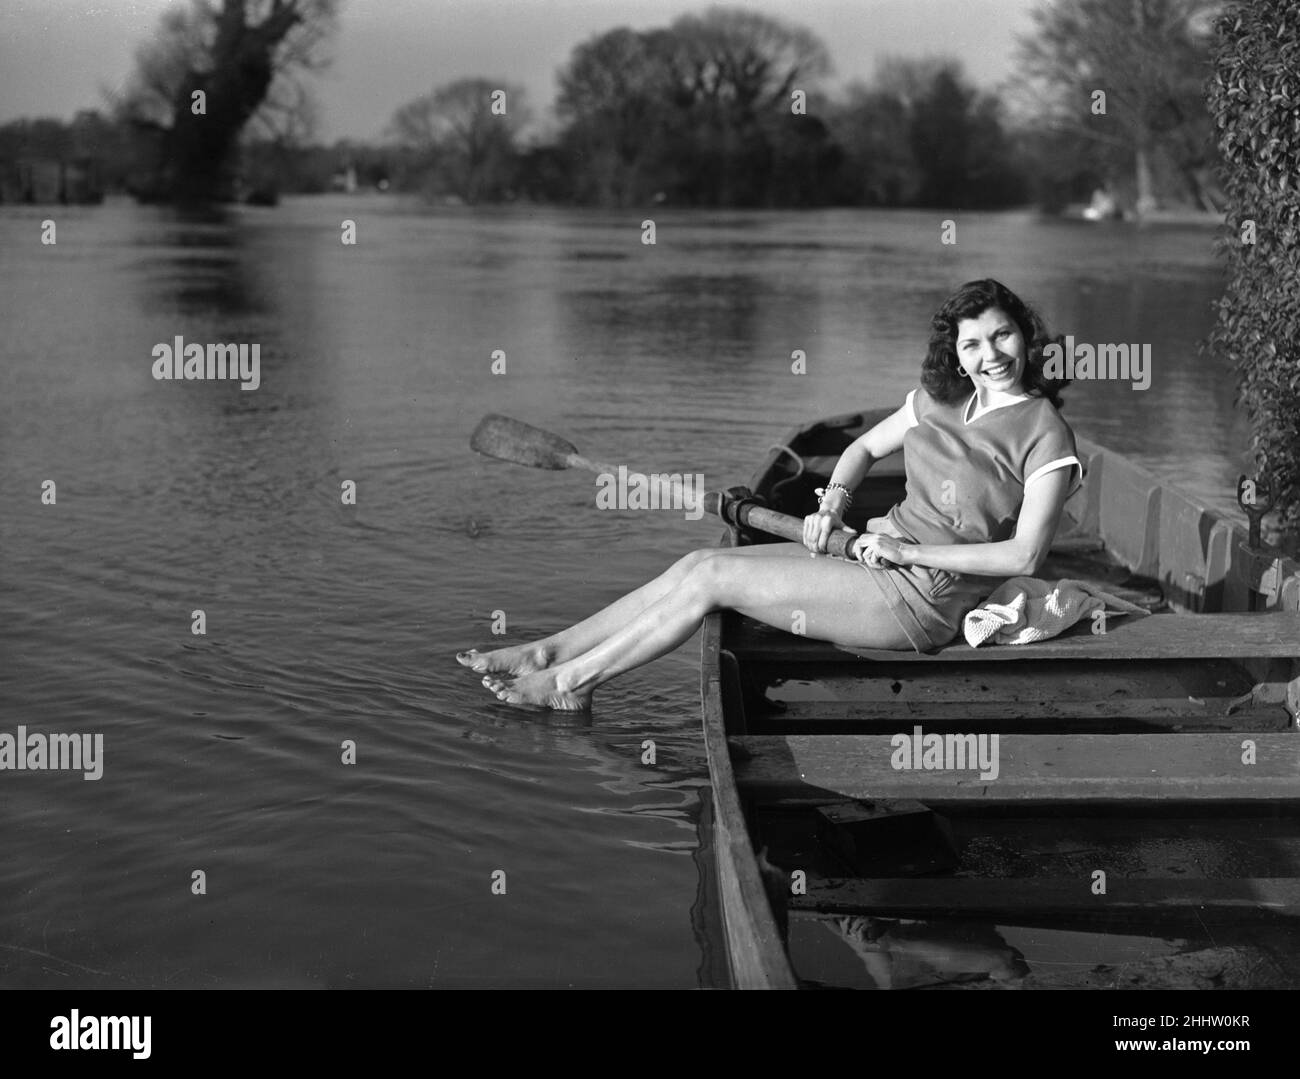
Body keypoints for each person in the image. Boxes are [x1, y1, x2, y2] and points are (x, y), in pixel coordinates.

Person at [459, 278, 1082, 710]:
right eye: (972, 344)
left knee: (712, 583)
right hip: (870, 550)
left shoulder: (1045, 433)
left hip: (921, 600)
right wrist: (832, 504)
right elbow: (861, 449)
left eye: (1001, 337)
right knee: (697, 563)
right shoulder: (937, 401)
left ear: (1025, 336)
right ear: (958, 353)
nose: (990, 355)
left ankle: (573, 682)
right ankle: (547, 652)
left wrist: (911, 556)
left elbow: (1022, 558)